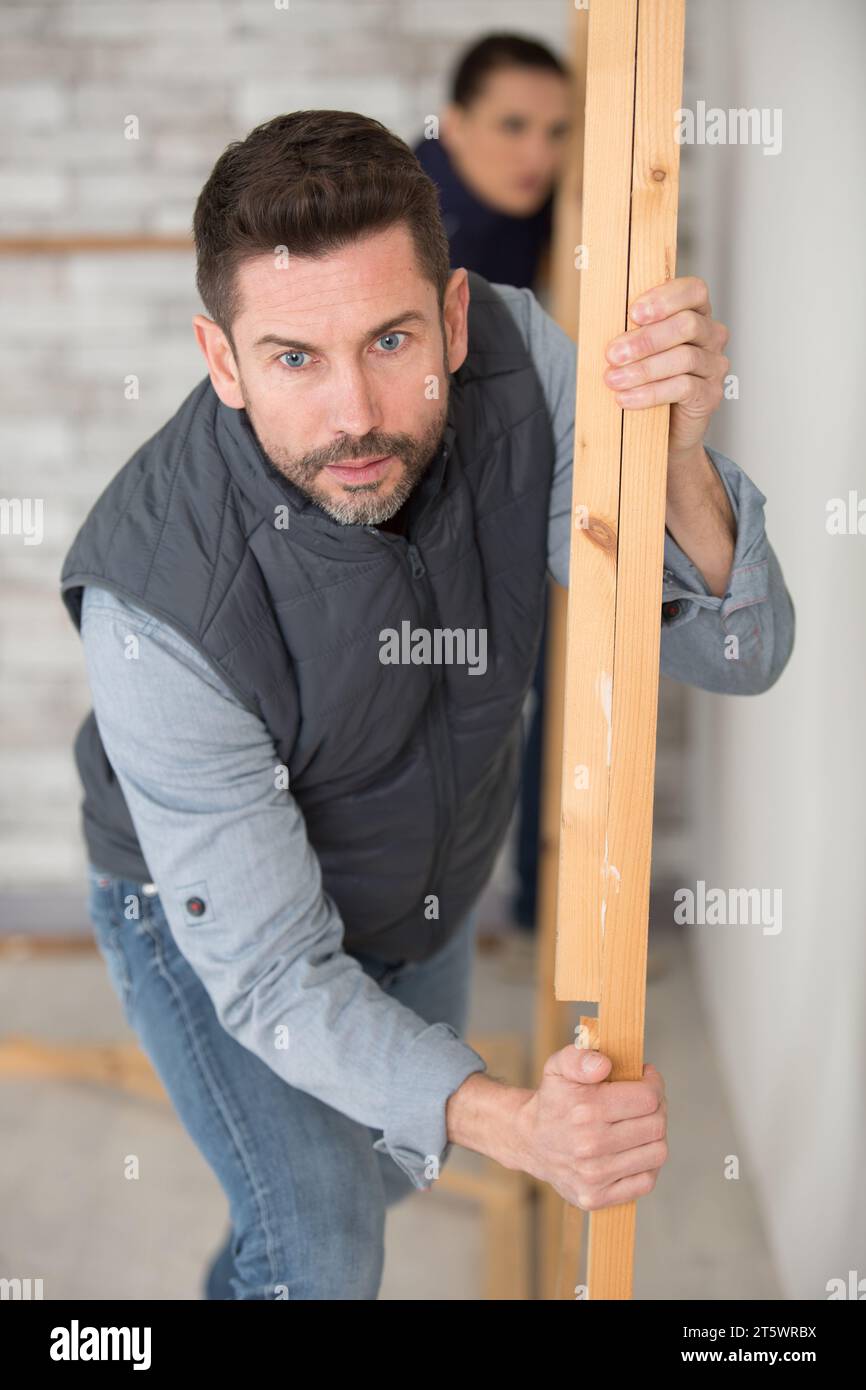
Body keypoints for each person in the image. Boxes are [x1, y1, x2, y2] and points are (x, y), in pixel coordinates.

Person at [60, 109, 794, 1300]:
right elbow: (275, 972)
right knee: (320, 1249)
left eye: (391, 338)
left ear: (453, 316)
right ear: (220, 358)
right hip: (206, 914)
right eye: (293, 356)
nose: (354, 413)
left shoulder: (519, 363)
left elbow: (735, 656)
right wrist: (519, 1124)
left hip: (424, 870)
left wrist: (673, 458)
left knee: (384, 1163)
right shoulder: (156, 603)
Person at [413, 34, 573, 932]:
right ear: (455, 125)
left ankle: (534, 907)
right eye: (513, 126)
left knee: (537, 678)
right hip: (407, 493)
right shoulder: (415, 220)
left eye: (557, 130)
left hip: (507, 478)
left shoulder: (531, 206)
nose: (537, 155)